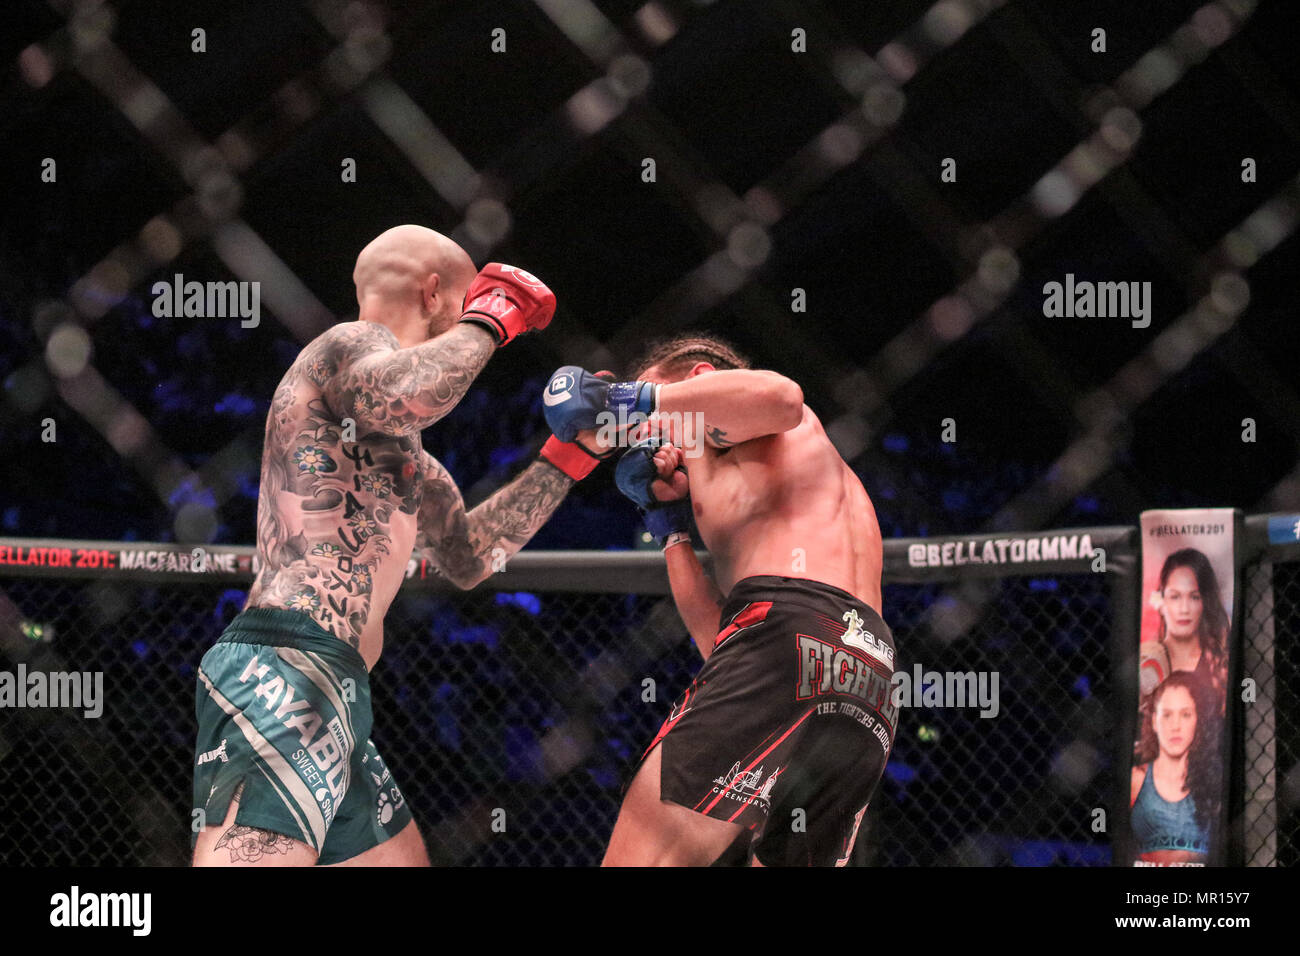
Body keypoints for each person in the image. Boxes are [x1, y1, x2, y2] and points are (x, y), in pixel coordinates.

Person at [191, 225, 605, 866]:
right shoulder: (347, 344)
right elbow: (397, 393)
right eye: (464, 303)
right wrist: (492, 321)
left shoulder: (407, 465)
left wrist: (569, 458)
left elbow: (469, 558)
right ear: (436, 292)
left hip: (338, 683)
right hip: (288, 662)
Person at [543, 333, 897, 866]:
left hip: (786, 630)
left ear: (699, 377)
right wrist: (669, 528)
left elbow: (782, 396)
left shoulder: (761, 419)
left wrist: (627, 398)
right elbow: (724, 642)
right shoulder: (774, 482)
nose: (647, 437)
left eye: (654, 407)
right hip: (866, 676)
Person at [1129, 672, 1219, 865]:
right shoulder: (1136, 780)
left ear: (1198, 720)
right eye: (1167, 715)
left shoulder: (1213, 782)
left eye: (1185, 714)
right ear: (1154, 721)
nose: (1175, 726)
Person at [1149, 548, 1229, 701]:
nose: (1184, 609)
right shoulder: (1145, 661)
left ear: (1205, 602)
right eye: (1175, 597)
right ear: (1161, 600)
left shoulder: (1222, 667)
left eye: (1194, 597)